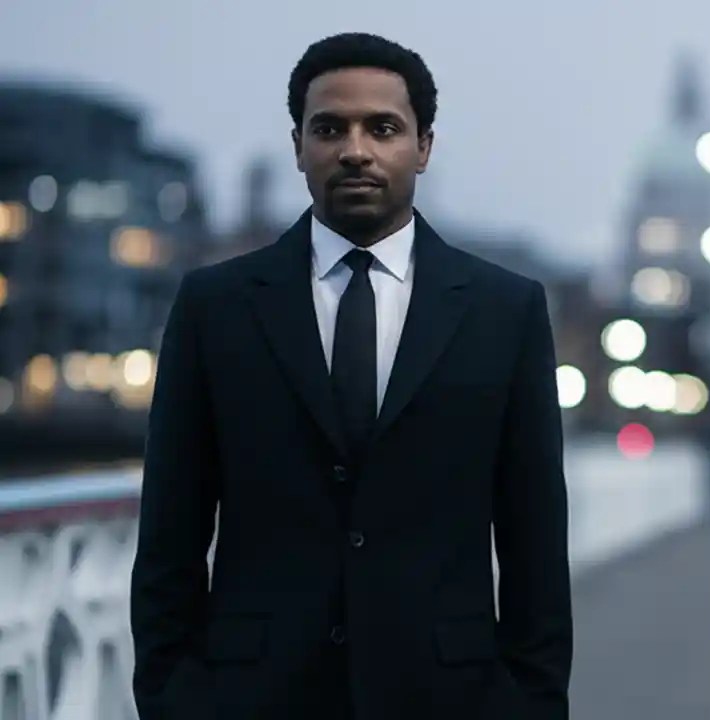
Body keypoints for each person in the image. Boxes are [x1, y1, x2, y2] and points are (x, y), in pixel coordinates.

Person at [130, 32, 571, 719]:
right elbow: (169, 535)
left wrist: (532, 704)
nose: (355, 149)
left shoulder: (505, 310)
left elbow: (535, 540)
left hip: (450, 699)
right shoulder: (214, 306)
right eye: (329, 128)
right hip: (250, 699)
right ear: (299, 145)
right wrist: (171, 699)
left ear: (423, 146)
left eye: (384, 128)